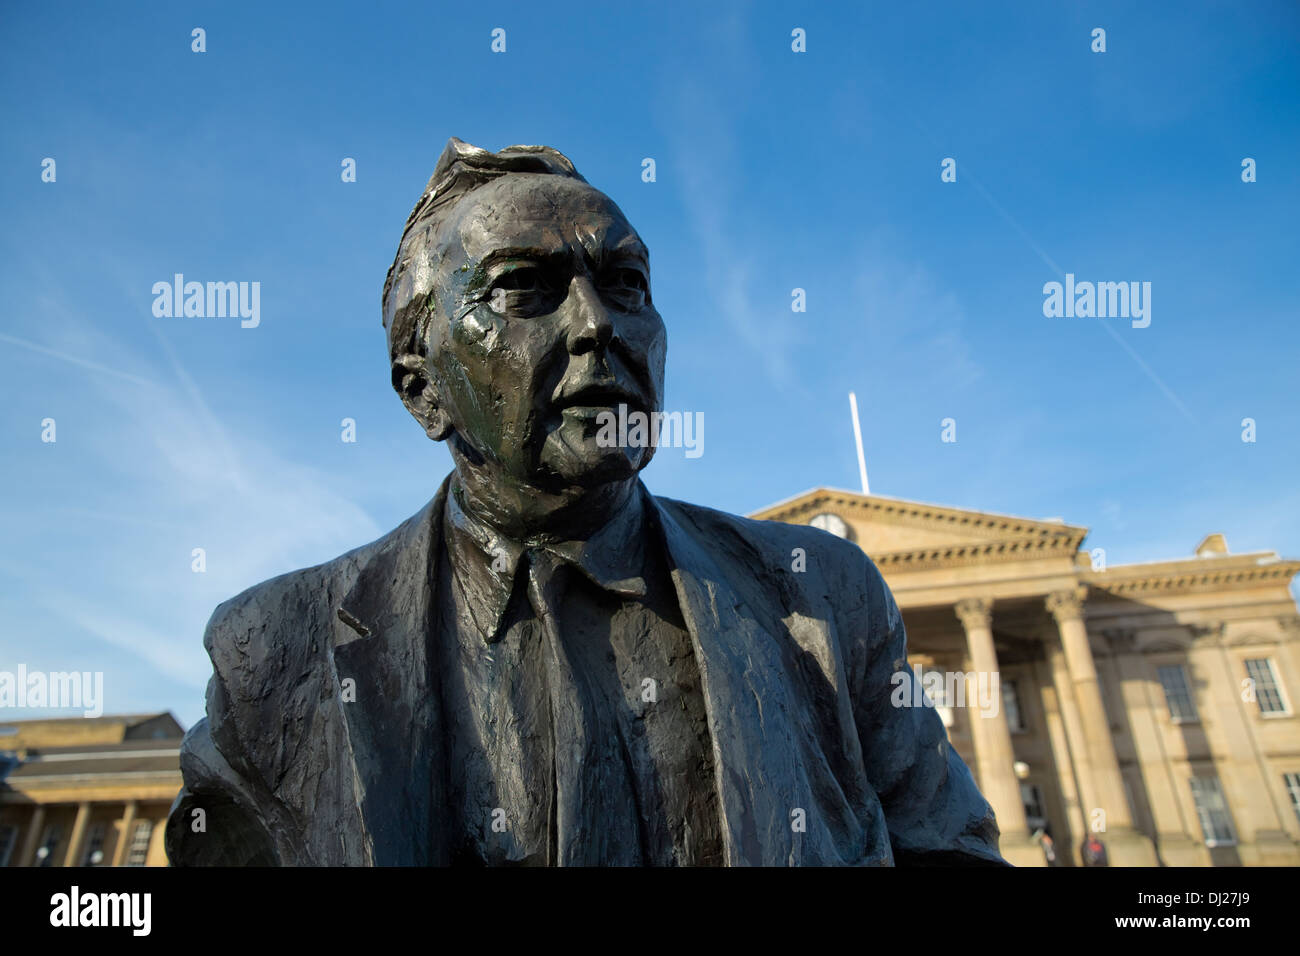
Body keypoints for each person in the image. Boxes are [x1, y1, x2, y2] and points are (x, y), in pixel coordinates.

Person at [165, 137, 1008, 867]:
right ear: (425, 393)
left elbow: (950, 856)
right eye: (524, 287)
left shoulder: (823, 597)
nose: (597, 324)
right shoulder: (271, 653)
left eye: (625, 282)